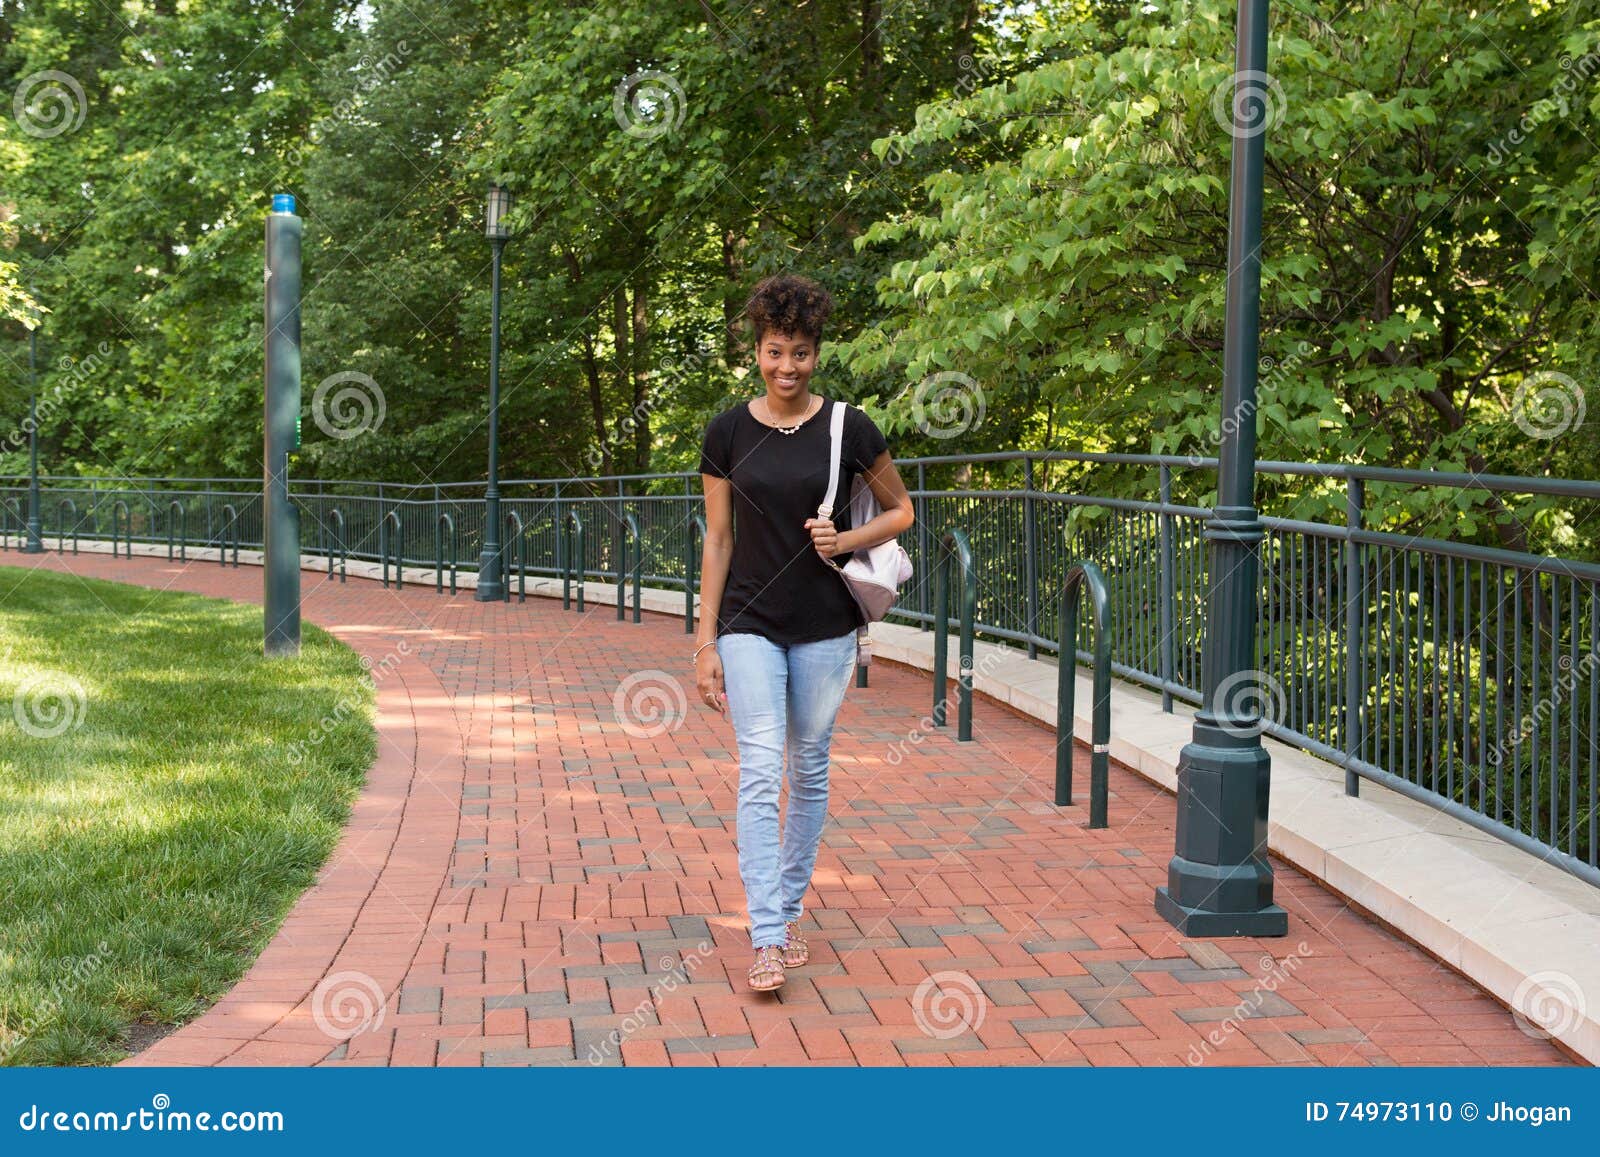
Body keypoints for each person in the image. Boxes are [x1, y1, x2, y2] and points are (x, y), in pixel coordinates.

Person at [695, 272, 915, 993]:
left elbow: (902, 512)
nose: (786, 366)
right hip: (748, 621)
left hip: (824, 624)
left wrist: (845, 538)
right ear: (755, 351)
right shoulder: (725, 433)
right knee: (761, 767)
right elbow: (718, 540)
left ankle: (788, 911)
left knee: (809, 766)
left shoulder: (850, 427)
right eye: (773, 351)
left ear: (817, 352)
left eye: (799, 352)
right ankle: (764, 933)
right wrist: (704, 641)